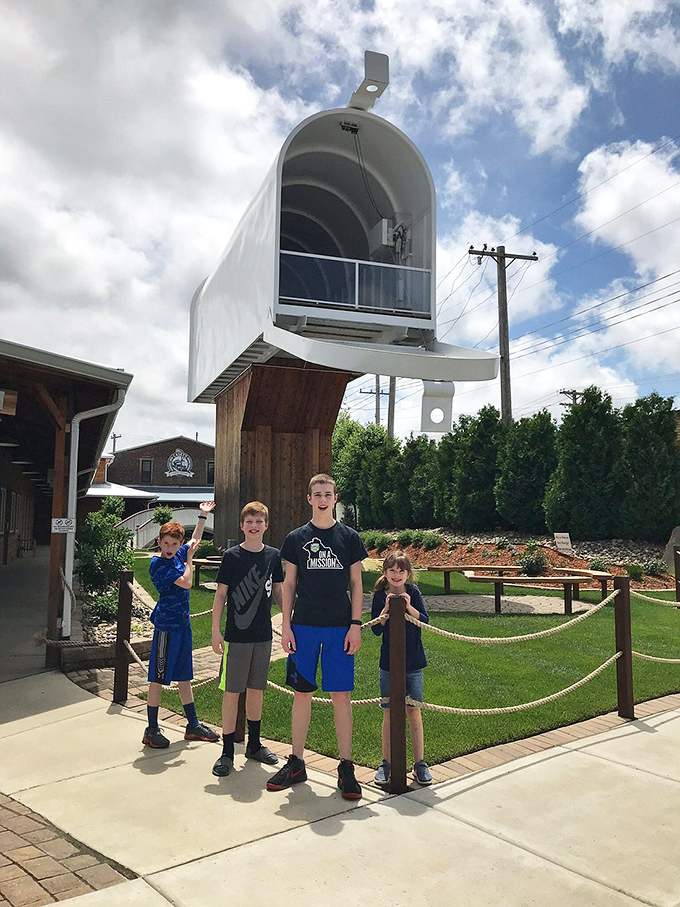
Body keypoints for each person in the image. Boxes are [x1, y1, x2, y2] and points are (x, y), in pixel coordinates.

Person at [266, 474, 367, 800]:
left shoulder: (349, 537)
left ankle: (346, 767)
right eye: (317, 494)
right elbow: (289, 584)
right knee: (301, 695)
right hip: (305, 627)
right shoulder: (296, 538)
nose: (323, 499)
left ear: (335, 497)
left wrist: (355, 624)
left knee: (341, 697)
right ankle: (296, 762)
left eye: (328, 494)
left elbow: (356, 584)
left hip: (340, 627)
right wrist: (287, 625)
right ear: (309, 498)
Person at [210, 501, 284, 777]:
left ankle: (254, 744)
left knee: (256, 690)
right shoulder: (232, 557)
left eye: (259, 522)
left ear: (266, 525)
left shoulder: (273, 556)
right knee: (231, 693)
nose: (254, 526)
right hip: (236, 638)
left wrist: (289, 619)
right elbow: (220, 596)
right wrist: (215, 631)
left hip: (263, 636)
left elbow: (278, 591)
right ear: (242, 526)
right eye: (249, 522)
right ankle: (227, 750)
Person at [142, 502, 220, 748]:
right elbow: (187, 582)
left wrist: (203, 516)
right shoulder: (159, 564)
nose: (170, 547)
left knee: (185, 677)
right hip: (167, 627)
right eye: (166, 543)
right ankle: (151, 729)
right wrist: (189, 559)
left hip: (183, 625)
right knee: (158, 678)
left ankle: (193, 725)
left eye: (174, 544)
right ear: (159, 542)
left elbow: (194, 541)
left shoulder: (178, 554)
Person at [371, 550, 432, 786]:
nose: (396, 575)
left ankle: (420, 763)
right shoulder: (379, 595)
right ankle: (386, 762)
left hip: (414, 662)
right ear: (385, 573)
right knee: (388, 710)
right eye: (392, 571)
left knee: (413, 711)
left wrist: (408, 607)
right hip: (388, 663)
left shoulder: (414, 592)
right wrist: (386, 610)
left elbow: (424, 621)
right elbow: (376, 628)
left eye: (401, 571)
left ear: (408, 574)